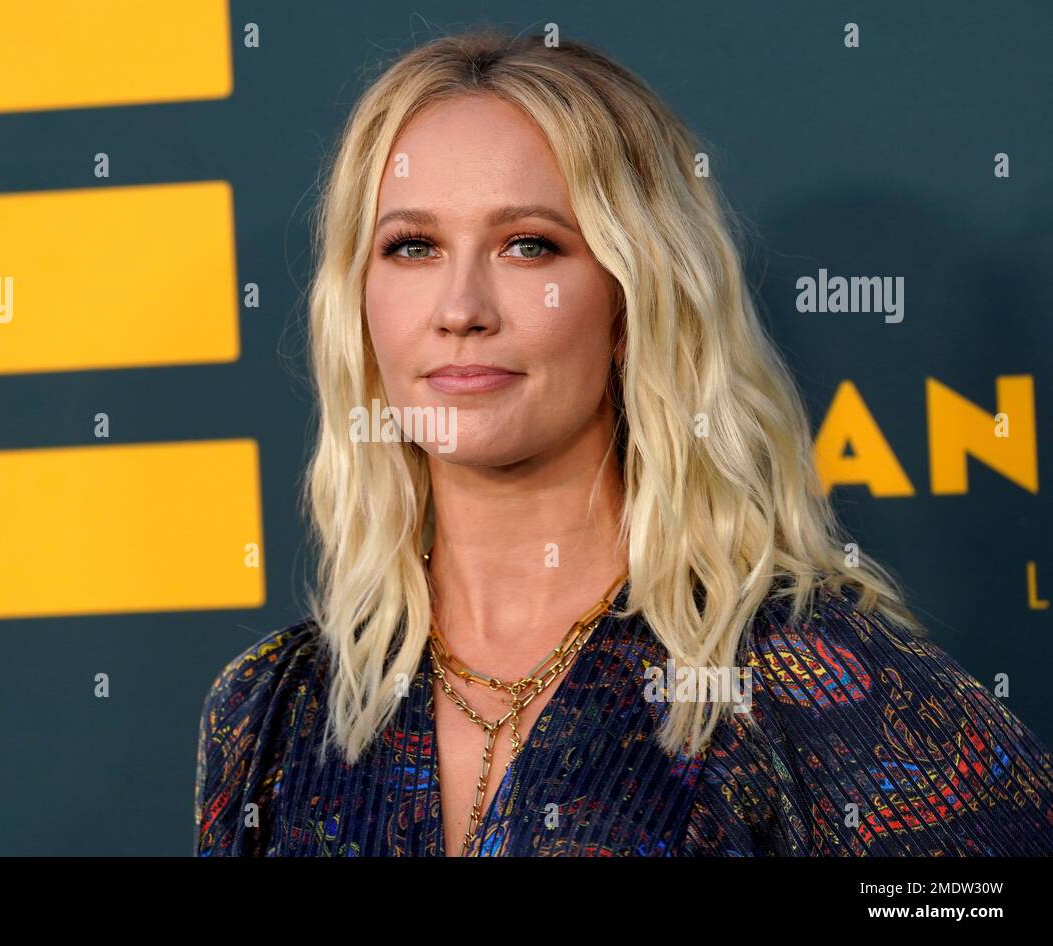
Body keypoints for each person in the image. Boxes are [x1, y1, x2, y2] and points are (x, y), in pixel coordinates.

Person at [194, 29, 1053, 856]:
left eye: (529, 246)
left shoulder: (807, 680)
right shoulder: (271, 710)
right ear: (360, 303)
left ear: (632, 298)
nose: (460, 308)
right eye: (412, 247)